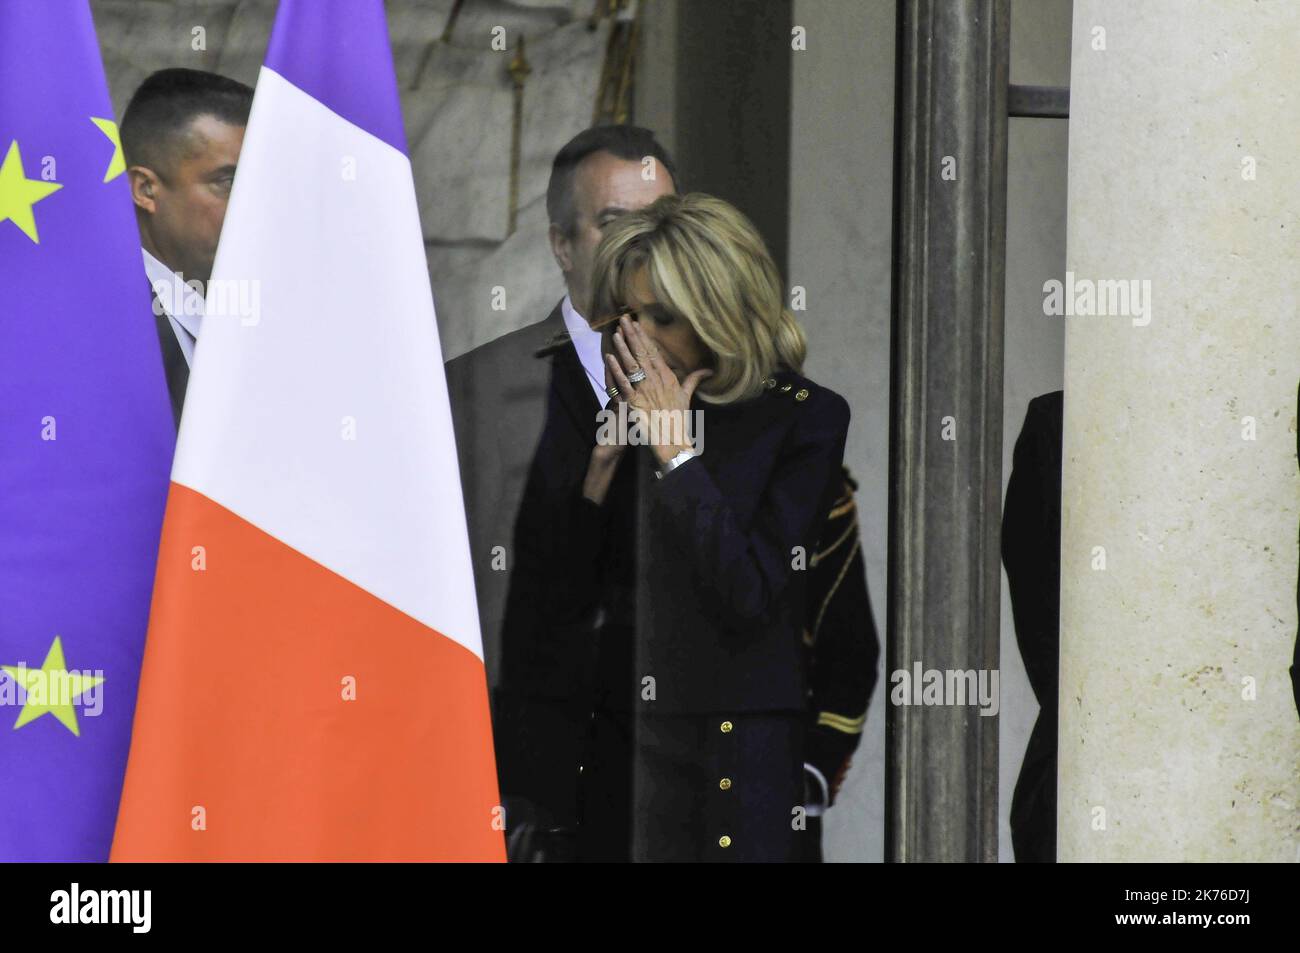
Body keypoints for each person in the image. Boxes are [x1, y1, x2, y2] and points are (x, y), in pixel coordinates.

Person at [500, 193, 852, 861]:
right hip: (621, 744)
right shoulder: (610, 407)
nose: (643, 336)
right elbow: (554, 611)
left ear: (719, 313)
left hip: (735, 758)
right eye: (632, 315)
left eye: (663, 316)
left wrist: (675, 451)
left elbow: (750, 594)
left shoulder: (805, 418)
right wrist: (600, 467)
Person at [120, 68, 252, 426]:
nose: (253, 204)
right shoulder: (101, 333)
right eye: (227, 182)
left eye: (263, 183)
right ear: (146, 189)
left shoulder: (267, 315)